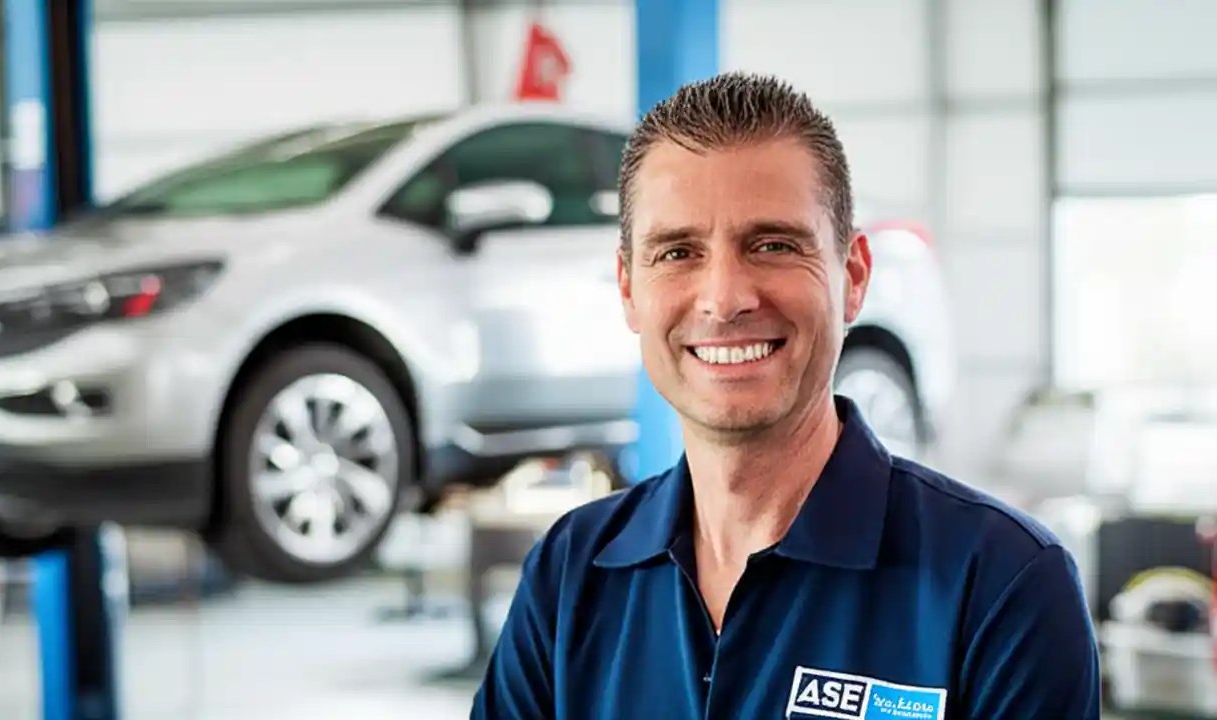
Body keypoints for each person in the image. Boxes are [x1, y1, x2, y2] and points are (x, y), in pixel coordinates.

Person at [470, 72, 1101, 719]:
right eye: (678, 251)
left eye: (772, 245)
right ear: (629, 289)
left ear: (853, 277)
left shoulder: (1001, 586)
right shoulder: (570, 574)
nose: (725, 298)